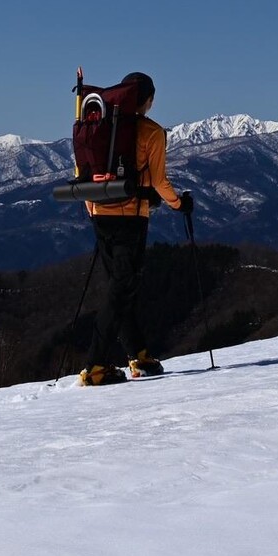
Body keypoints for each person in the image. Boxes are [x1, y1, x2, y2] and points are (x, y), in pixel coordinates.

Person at [80, 71, 193, 386]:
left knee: (120, 287)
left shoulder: (99, 127)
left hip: (99, 213)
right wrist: (178, 204)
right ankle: (95, 366)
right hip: (132, 217)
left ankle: (138, 356)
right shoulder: (151, 132)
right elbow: (158, 181)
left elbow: (83, 173)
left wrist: (93, 210)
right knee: (121, 290)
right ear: (148, 100)